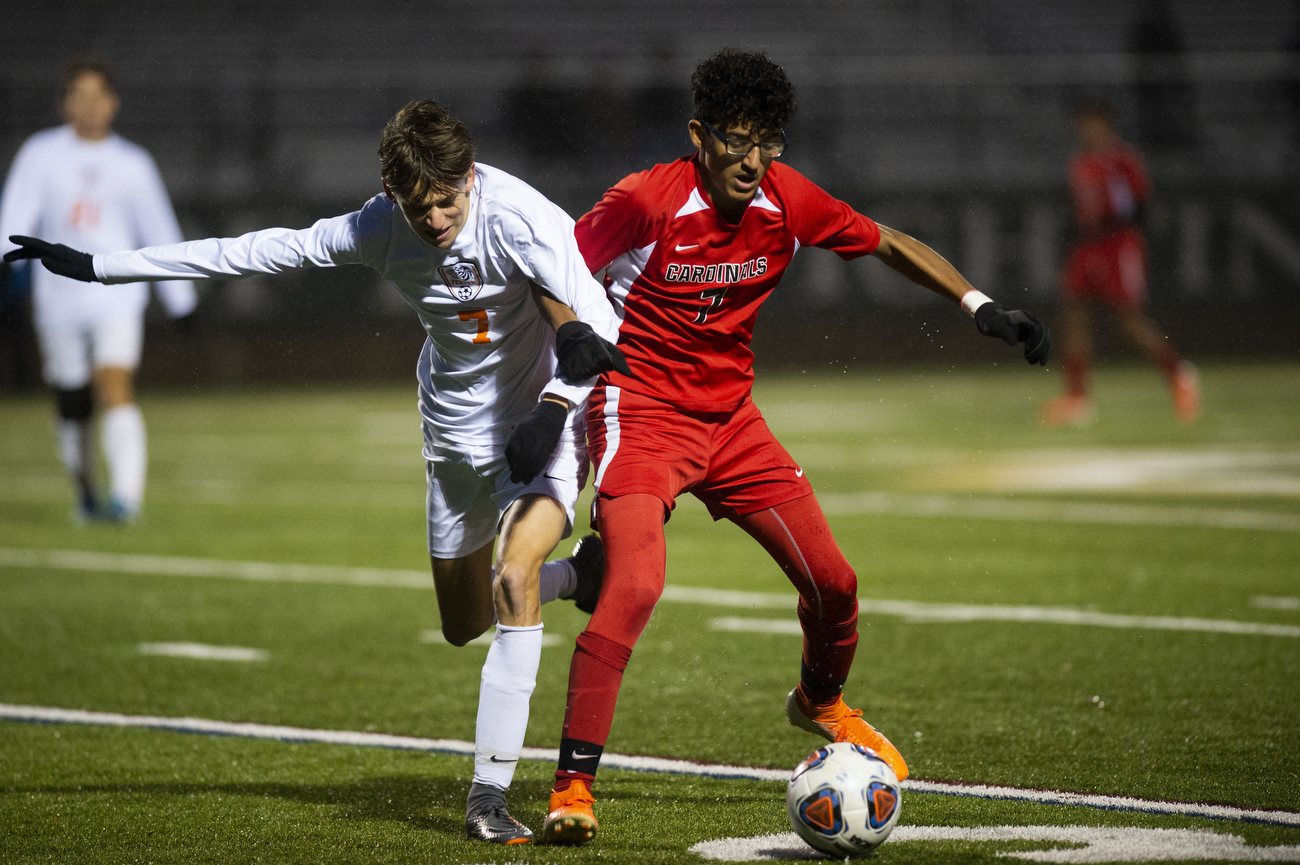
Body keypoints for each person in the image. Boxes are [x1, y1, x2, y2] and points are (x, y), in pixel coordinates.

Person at [7, 99, 630, 847]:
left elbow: (598, 325)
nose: (434, 220)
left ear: (469, 176)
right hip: (451, 433)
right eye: (417, 206)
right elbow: (252, 250)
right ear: (392, 194)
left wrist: (555, 411)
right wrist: (101, 266)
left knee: (512, 576)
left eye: (446, 200)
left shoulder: (521, 216)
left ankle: (488, 795)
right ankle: (578, 579)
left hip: (537, 428)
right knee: (465, 622)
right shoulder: (377, 226)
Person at [539, 48, 1052, 846]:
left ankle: (819, 700)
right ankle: (572, 785)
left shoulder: (787, 197)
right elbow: (552, 263)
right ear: (698, 135)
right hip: (639, 412)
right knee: (635, 587)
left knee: (836, 583)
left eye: (768, 140)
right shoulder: (647, 200)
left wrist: (976, 301)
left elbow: (883, 241)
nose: (753, 161)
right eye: (737, 140)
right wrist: (553, 359)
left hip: (734, 422)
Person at [0, 59, 197, 522]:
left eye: (98, 95)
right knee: (71, 400)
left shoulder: (133, 162)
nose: (90, 106)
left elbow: (158, 229)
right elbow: (15, 213)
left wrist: (181, 301)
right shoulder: (41, 153)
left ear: (114, 103)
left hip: (116, 292)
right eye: (79, 96)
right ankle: (86, 492)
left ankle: (126, 499)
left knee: (114, 386)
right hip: (57, 297)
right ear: (64, 103)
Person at [1040, 99, 1199, 426]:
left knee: (1129, 320)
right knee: (1073, 314)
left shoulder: (1120, 160)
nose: (1084, 130)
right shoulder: (1079, 162)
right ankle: (1077, 398)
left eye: (1091, 123)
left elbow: (1136, 206)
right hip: (1087, 245)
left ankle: (1178, 373)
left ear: (1106, 125)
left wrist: (1116, 239)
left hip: (1116, 245)